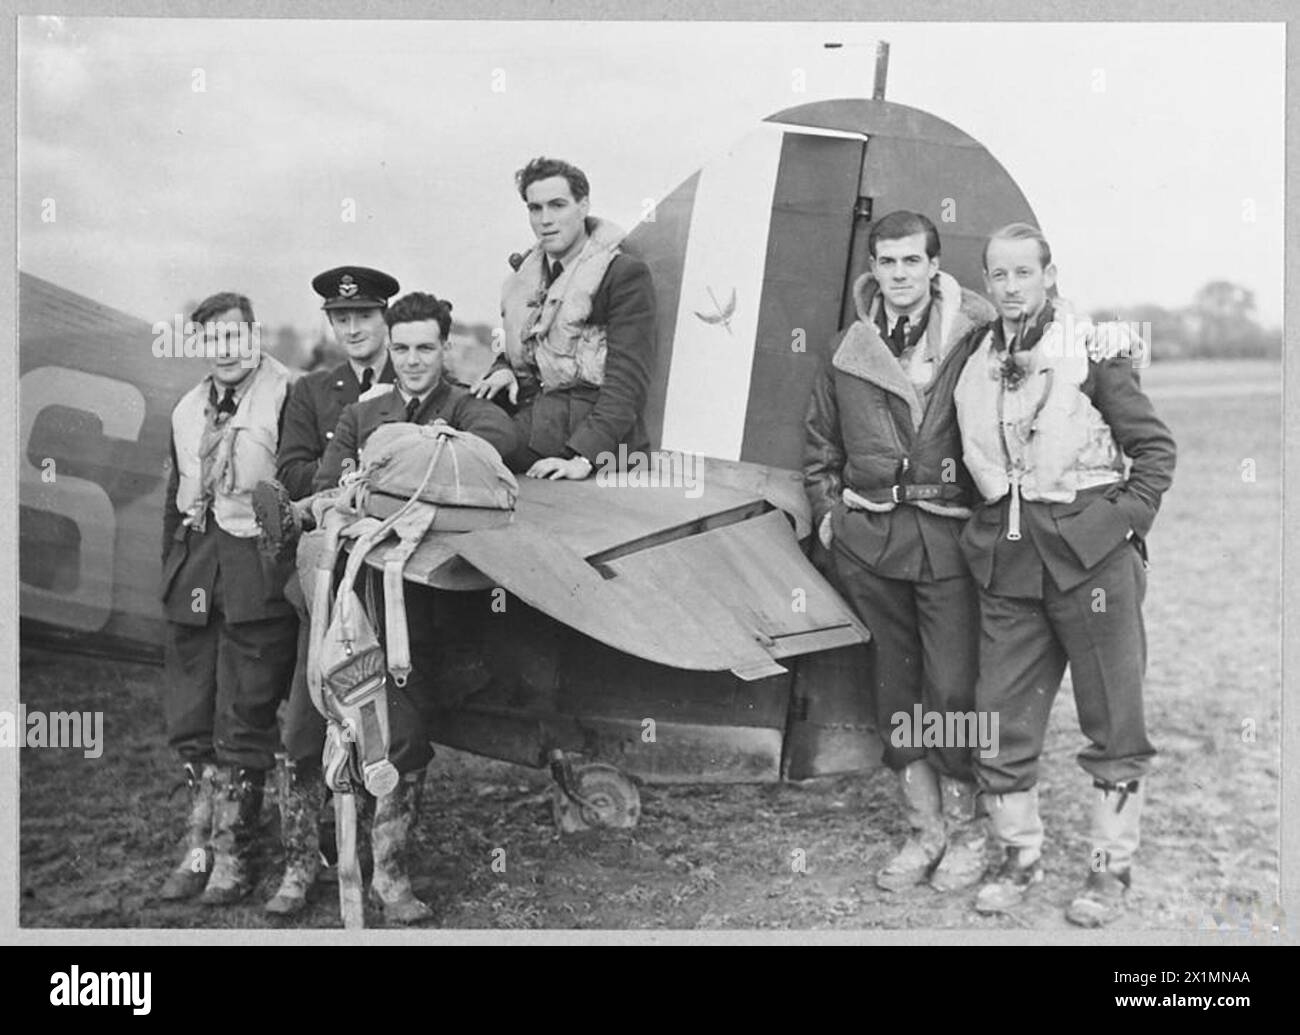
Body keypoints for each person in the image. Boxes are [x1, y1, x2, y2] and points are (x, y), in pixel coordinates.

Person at [952, 223, 1176, 926]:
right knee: (1000, 712)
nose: (1011, 286)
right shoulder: (975, 354)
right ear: (986, 283)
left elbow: (1156, 452)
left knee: (1114, 715)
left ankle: (1111, 867)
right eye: (999, 275)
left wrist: (1114, 526)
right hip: (1009, 559)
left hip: (1092, 559)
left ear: (1049, 275)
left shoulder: (1095, 348)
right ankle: (1020, 852)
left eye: (1024, 272)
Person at [274, 291, 517, 925]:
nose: (412, 361)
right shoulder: (362, 412)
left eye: (425, 348)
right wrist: (353, 495)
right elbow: (330, 487)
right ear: (392, 347)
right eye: (402, 348)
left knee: (401, 734)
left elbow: (495, 452)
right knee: (307, 723)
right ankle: (299, 866)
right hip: (342, 594)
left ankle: (391, 875)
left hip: (414, 602)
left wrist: (417, 455)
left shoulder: (466, 409)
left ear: (445, 349)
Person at [804, 211, 997, 893]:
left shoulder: (977, 339)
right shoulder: (848, 350)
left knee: (952, 687)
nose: (899, 275)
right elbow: (820, 449)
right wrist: (832, 522)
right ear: (873, 269)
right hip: (873, 545)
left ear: (935, 265)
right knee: (895, 687)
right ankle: (924, 831)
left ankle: (970, 830)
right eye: (887, 262)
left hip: (949, 542)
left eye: (912, 261)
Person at [159, 292, 297, 905]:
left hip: (256, 572)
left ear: (256, 334)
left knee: (245, 716)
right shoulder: (187, 410)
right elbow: (176, 499)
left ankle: (234, 858)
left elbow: (299, 485)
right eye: (212, 341)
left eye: (236, 337)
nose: (226, 351)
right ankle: (198, 848)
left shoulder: (288, 394)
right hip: (197, 569)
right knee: (191, 717)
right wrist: (175, 568)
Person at [472, 156, 656, 479]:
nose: (545, 219)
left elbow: (627, 382)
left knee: (472, 449)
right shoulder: (528, 272)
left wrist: (582, 458)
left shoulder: (621, 274)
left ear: (583, 206)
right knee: (449, 416)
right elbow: (522, 341)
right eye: (535, 208)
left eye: (557, 205)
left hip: (588, 430)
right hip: (535, 411)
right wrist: (503, 369)